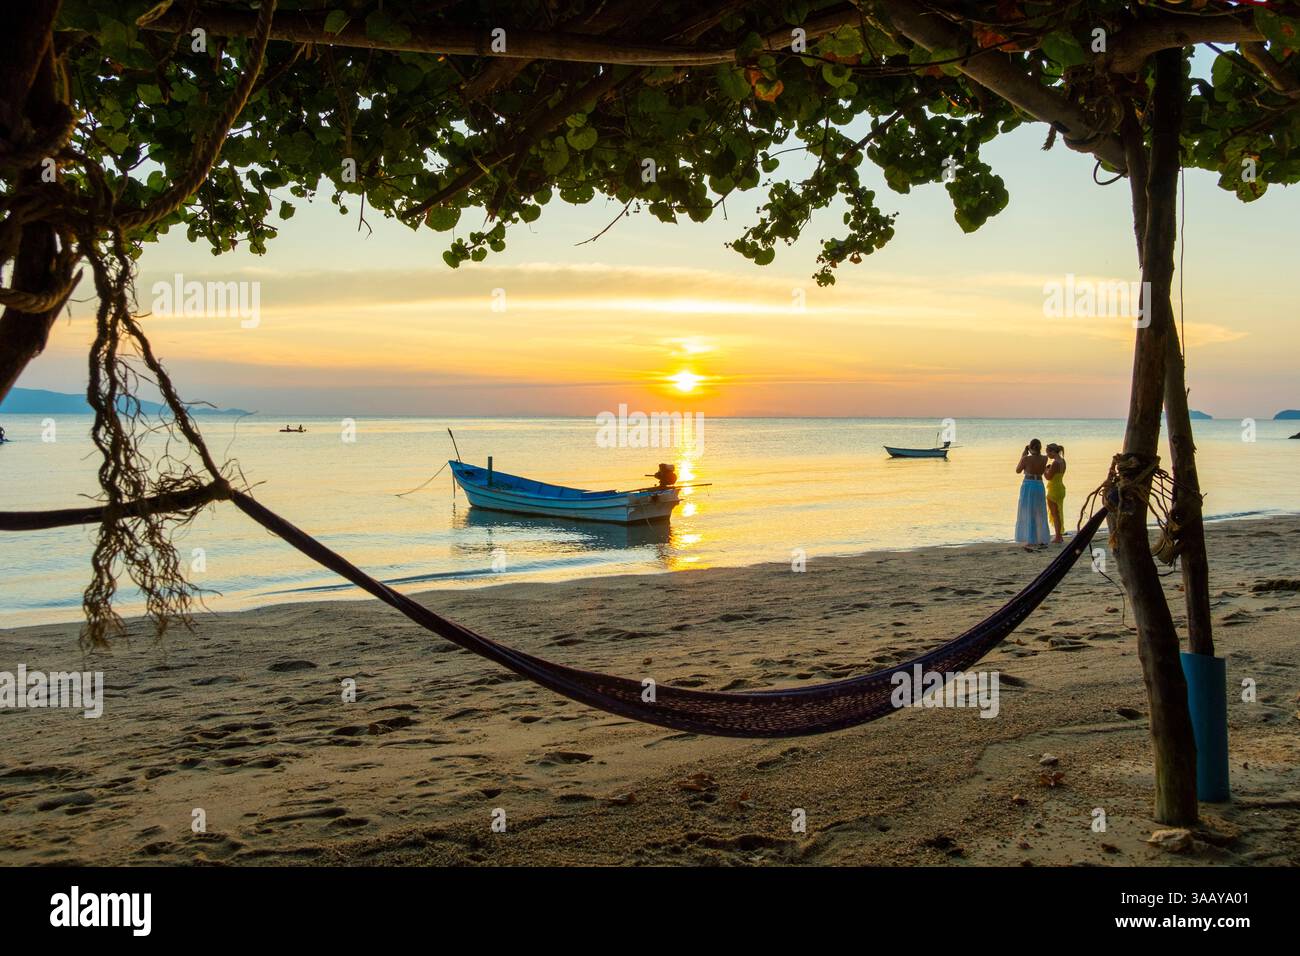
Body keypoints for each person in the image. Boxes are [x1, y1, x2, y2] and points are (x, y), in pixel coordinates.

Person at [1015, 439, 1050, 549]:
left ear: (1030, 448)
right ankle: (1041, 538)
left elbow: (1018, 470)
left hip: (1029, 484)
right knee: (1040, 511)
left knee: (1029, 511)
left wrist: (1022, 456)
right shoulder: (1045, 458)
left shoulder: (1026, 459)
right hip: (1039, 484)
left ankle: (1031, 539)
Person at [1044, 443, 1068, 544]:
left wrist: (1045, 470)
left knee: (1055, 514)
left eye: (1048, 453)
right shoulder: (1063, 461)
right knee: (1059, 512)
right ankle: (1059, 535)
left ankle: (1058, 536)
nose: (1047, 455)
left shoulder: (1055, 463)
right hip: (1060, 487)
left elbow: (1048, 477)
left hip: (1054, 489)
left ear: (1053, 452)